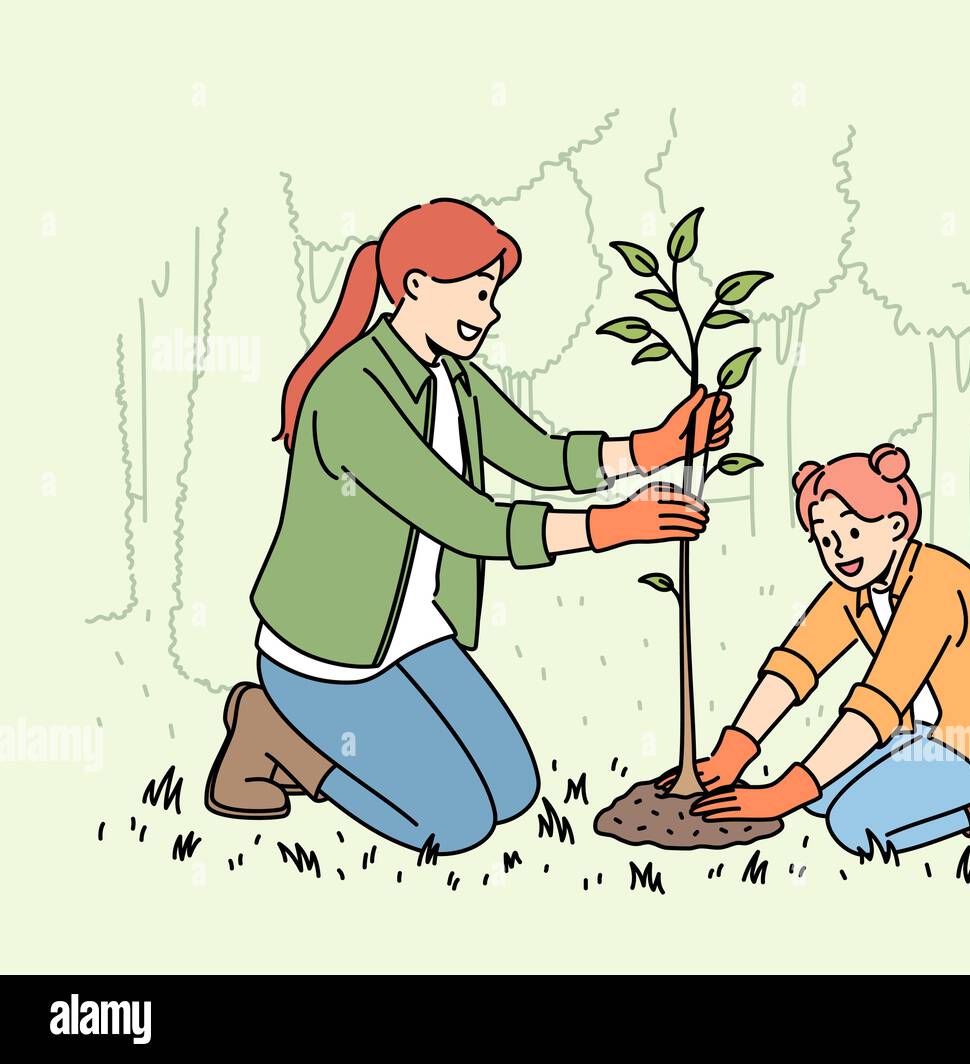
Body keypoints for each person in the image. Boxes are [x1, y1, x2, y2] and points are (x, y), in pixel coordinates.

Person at [206, 198, 732, 854]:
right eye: (478, 294)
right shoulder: (351, 396)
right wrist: (612, 527)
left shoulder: (452, 377)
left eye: (493, 295)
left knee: (513, 791)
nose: (490, 313)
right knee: (455, 825)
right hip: (330, 660)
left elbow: (540, 456)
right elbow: (468, 522)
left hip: (412, 632)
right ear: (417, 287)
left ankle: (308, 734)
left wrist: (653, 446)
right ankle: (274, 736)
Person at [679, 444, 970, 857]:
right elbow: (795, 663)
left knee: (853, 826)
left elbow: (879, 700)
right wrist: (734, 751)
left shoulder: (934, 587)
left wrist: (782, 792)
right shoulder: (853, 588)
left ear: (896, 525)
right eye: (825, 539)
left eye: (853, 532)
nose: (839, 551)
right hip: (919, 731)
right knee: (818, 799)